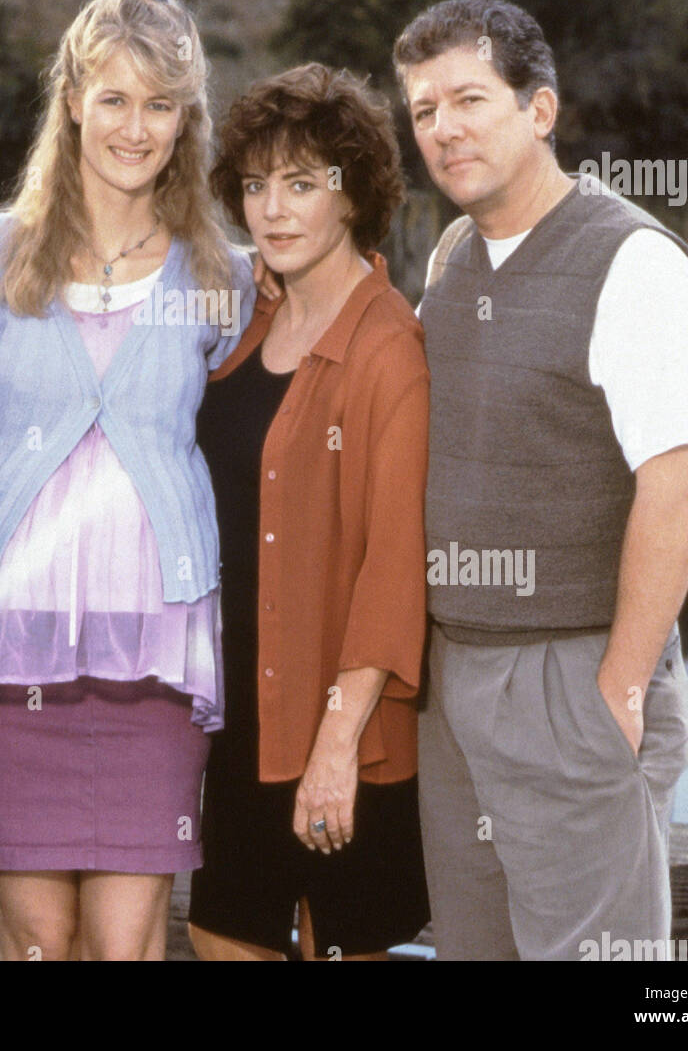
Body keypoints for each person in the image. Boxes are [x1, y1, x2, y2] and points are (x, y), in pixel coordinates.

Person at [397, 0, 688, 960]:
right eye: (422, 110)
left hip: (571, 676)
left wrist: (618, 688)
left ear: (539, 109)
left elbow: (681, 488)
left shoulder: (632, 263)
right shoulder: (452, 258)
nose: (444, 128)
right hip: (454, 676)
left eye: (469, 99)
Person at [0, 0, 257, 961]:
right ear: (74, 99)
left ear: (185, 119)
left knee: (125, 945)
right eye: (115, 98)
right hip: (14, 649)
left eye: (160, 105)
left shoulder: (222, 276)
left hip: (156, 652)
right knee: (37, 940)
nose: (135, 127)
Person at [187, 63, 431, 961]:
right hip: (244, 713)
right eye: (255, 186)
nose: (272, 210)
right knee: (219, 934)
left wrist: (334, 748)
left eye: (301, 185)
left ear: (352, 194)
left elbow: (393, 572)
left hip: (343, 731)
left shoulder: (387, 351)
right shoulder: (252, 314)